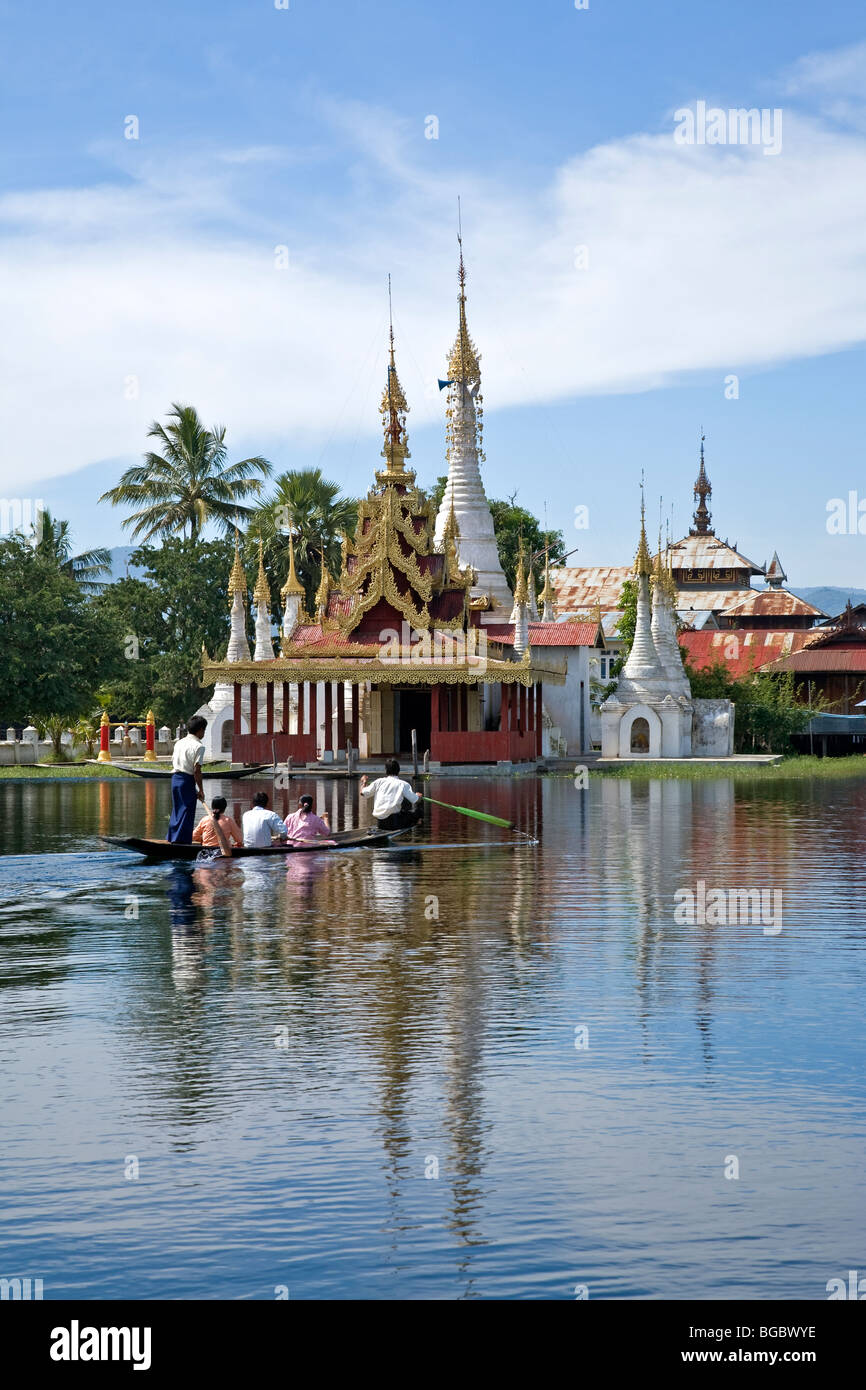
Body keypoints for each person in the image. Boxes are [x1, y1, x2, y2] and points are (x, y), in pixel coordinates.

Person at [167, 715, 207, 844]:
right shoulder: (199, 746)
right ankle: (182, 842)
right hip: (186, 779)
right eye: (204, 730)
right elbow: (197, 770)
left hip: (175, 779)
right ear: (200, 730)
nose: (204, 733)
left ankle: (172, 839)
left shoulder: (180, 742)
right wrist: (201, 790)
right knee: (187, 812)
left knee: (178, 810)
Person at [360, 758, 423, 831]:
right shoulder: (403, 784)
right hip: (394, 823)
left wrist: (364, 781)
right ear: (398, 770)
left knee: (403, 811)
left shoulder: (378, 782)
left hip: (380, 823)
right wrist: (419, 796)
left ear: (386, 770)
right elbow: (416, 800)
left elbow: (362, 792)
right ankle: (418, 822)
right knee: (418, 811)